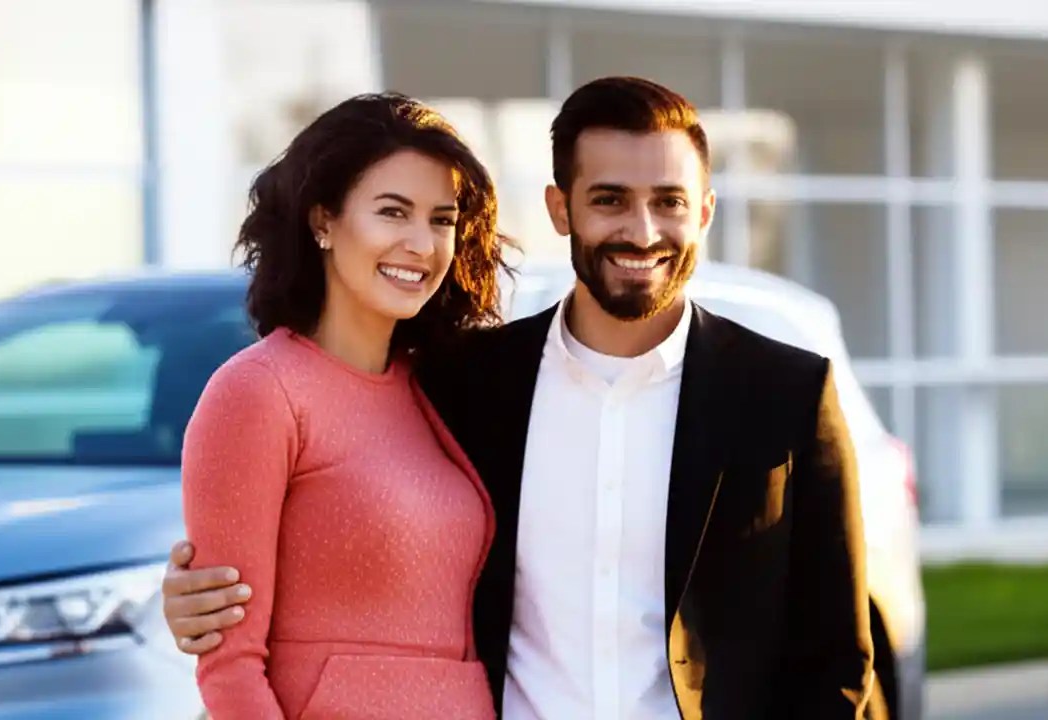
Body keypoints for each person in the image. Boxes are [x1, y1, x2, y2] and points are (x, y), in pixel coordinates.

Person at [164, 76, 875, 719]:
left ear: (707, 212)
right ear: (560, 209)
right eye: (610, 200)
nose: (642, 230)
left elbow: (837, 657)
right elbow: (300, 576)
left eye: (669, 202)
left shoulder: (787, 393)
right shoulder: (475, 382)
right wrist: (196, 602)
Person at [177, 92, 506, 719]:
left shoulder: (445, 389)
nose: (421, 243)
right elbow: (229, 667)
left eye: (441, 219)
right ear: (323, 220)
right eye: (392, 212)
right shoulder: (260, 391)